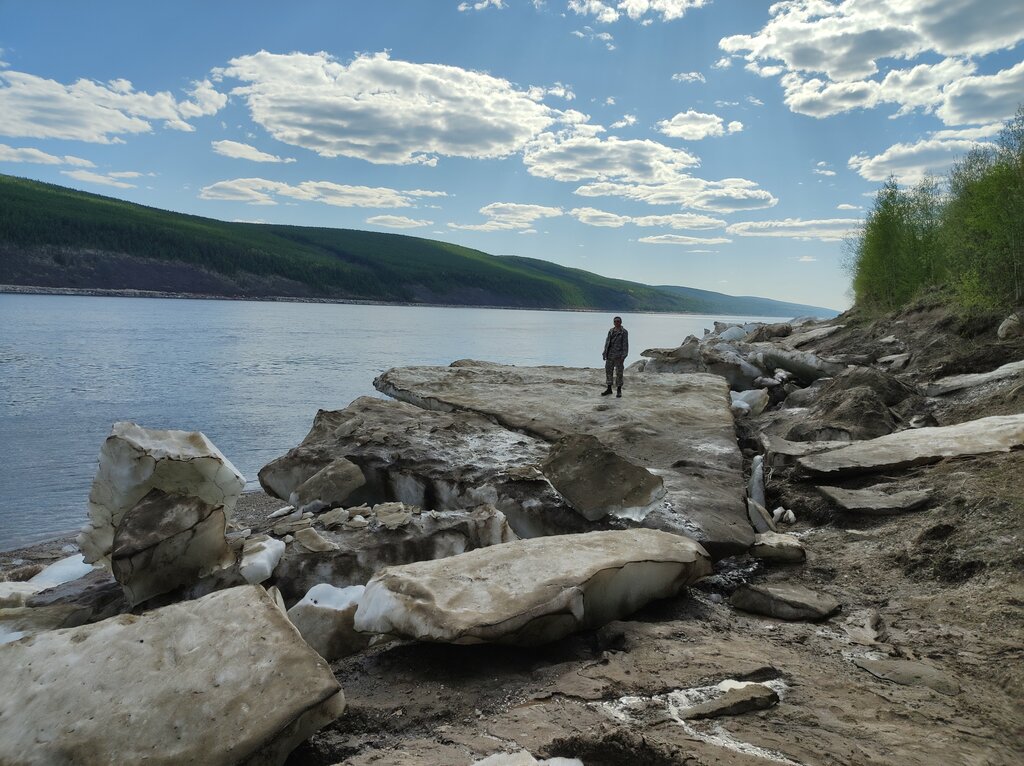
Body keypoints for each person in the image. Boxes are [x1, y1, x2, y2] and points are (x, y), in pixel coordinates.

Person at [601, 315, 628, 397]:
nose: (616, 323)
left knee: (619, 373)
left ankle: (619, 390)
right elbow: (607, 342)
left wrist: (624, 356)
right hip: (610, 355)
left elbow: (625, 344)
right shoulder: (611, 331)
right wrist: (604, 352)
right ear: (613, 322)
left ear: (621, 322)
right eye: (615, 321)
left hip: (619, 356)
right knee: (608, 372)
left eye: (618, 321)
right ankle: (609, 389)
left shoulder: (624, 332)